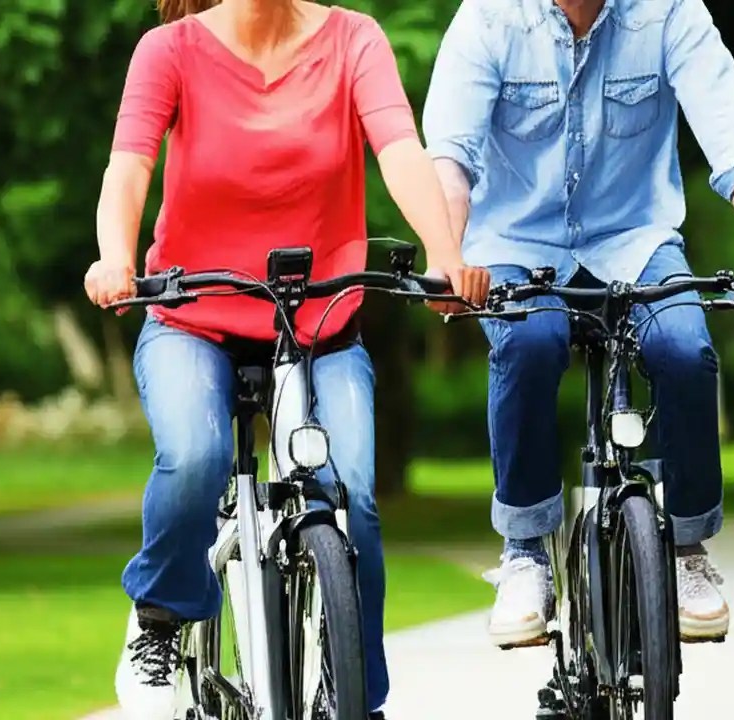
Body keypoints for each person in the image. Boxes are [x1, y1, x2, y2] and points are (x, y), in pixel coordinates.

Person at [87, 0, 490, 717]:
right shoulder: (168, 51)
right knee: (194, 455)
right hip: (194, 319)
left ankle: (356, 694)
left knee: (354, 497)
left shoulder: (354, 39)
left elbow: (399, 149)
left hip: (318, 325)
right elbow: (129, 166)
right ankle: (158, 617)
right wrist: (116, 257)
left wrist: (445, 256)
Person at [423, 0, 734, 647]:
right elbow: (452, 157)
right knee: (528, 342)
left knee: (686, 349)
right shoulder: (489, 18)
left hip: (635, 238)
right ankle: (524, 553)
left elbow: (729, 135)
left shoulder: (669, 13)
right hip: (516, 245)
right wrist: (446, 256)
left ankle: (687, 551)